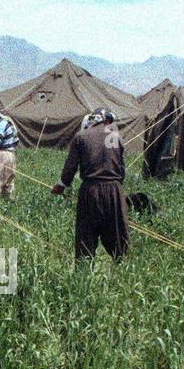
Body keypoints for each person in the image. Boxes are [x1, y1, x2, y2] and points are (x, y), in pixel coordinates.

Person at [51, 107, 128, 260]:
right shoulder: (116, 137)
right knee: (117, 237)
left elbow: (70, 168)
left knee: (86, 237)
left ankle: (84, 274)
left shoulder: (81, 136)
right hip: (114, 190)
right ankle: (122, 270)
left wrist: (60, 186)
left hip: (90, 191)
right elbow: (122, 170)